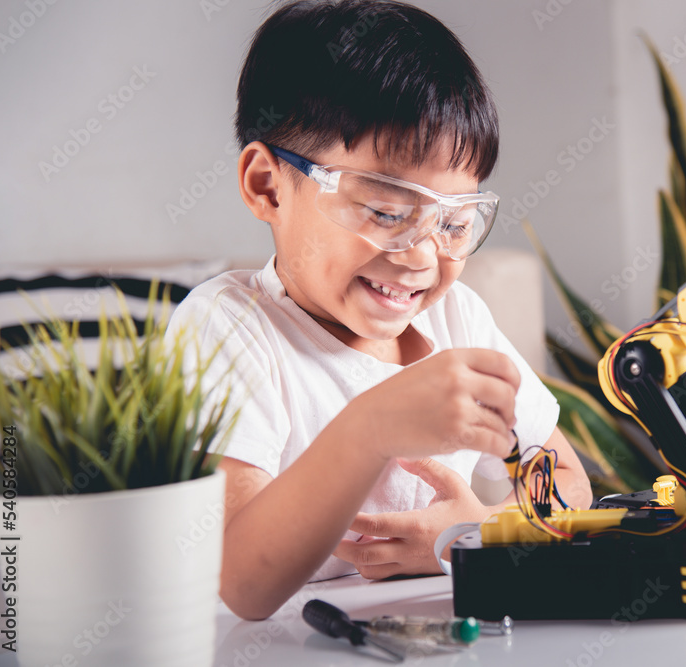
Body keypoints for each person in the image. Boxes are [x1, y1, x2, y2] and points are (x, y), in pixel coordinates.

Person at [167, 0, 592, 621]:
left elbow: (568, 486)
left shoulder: (458, 322)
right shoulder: (230, 327)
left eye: (453, 223)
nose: (422, 255)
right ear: (267, 186)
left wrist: (475, 533)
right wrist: (370, 428)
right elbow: (242, 582)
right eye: (386, 213)